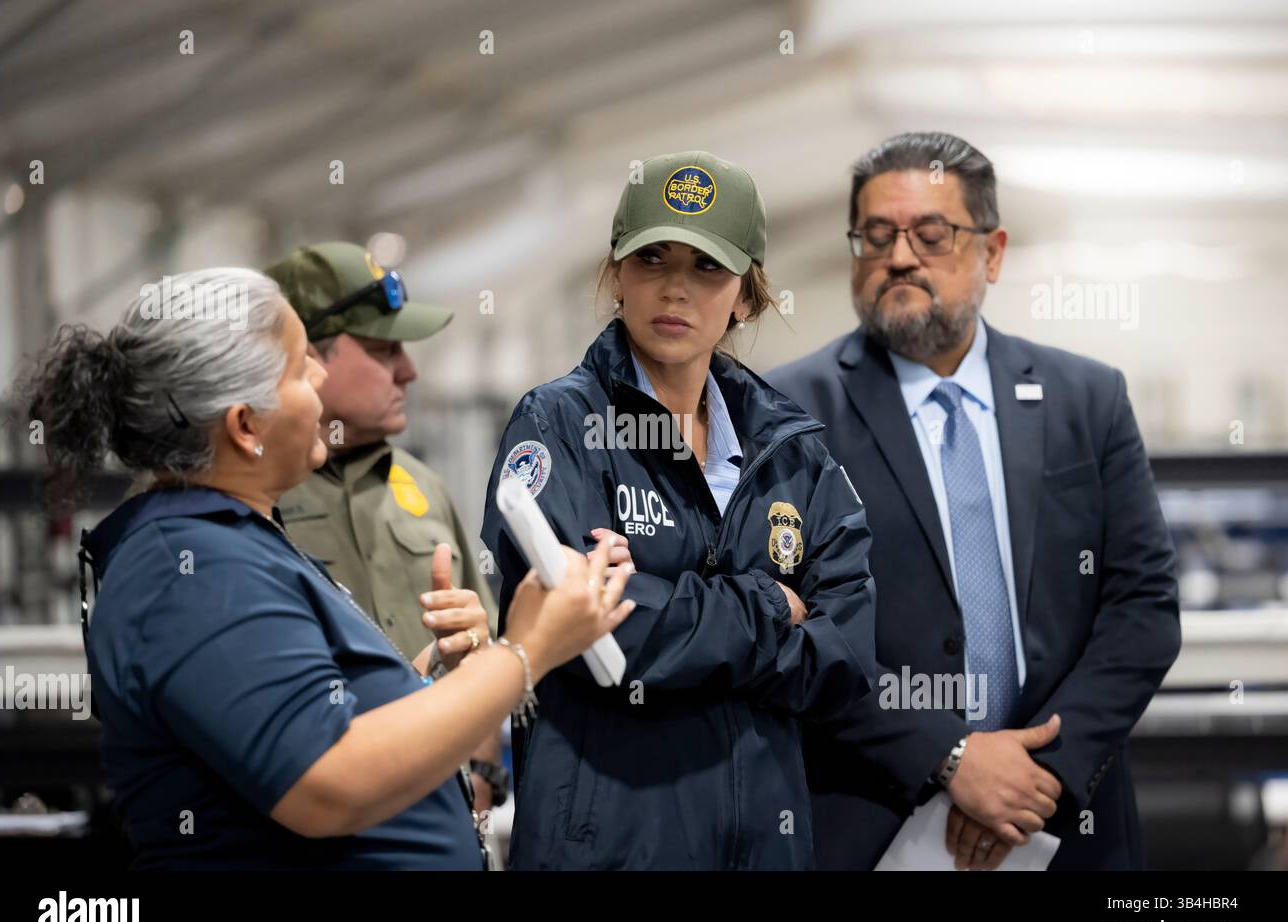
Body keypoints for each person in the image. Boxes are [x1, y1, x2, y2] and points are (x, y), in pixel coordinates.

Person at [15, 267, 633, 869]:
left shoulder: (234, 544)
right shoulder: (196, 571)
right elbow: (327, 782)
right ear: (246, 426)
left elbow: (311, 721)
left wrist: (429, 680)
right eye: (300, 365)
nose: (318, 374)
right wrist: (524, 654)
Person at [768, 131, 1180, 870]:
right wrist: (950, 756)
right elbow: (792, 632)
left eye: (931, 234)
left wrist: (1040, 775)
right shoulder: (792, 412)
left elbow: (1142, 607)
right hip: (873, 823)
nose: (899, 256)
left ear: (992, 252)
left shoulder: (1086, 399)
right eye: (875, 236)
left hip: (1064, 828)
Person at [481, 151, 877, 869]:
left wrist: (666, 610)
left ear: (748, 295)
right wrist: (771, 602)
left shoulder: (791, 451)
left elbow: (847, 658)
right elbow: (592, 635)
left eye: (706, 268)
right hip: (608, 849)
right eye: (652, 259)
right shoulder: (560, 423)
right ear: (616, 275)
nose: (674, 288)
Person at [265, 242, 507, 819]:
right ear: (303, 357)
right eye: (383, 348)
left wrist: (478, 780)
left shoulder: (422, 488)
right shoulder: (249, 494)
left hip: (432, 820)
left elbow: (479, 650)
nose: (409, 368)